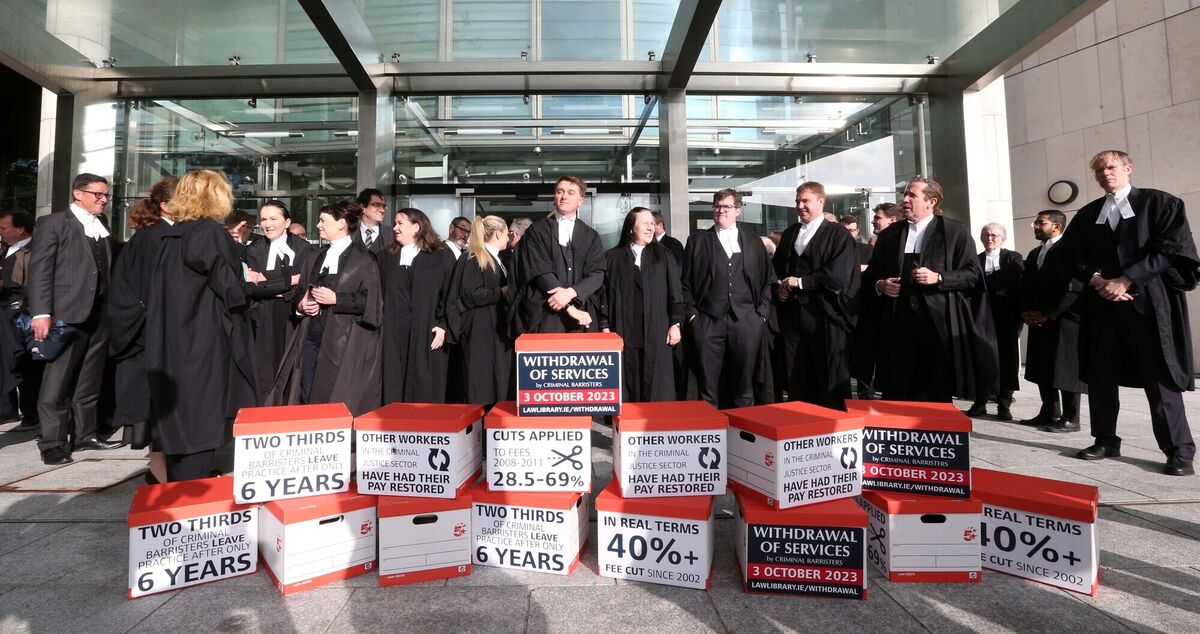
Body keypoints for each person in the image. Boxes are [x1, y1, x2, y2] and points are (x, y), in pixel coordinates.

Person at [1057, 150, 1199, 476]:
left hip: (1147, 306)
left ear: (1128, 168)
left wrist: (1126, 279)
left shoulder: (1160, 203)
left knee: (1160, 380)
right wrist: (1095, 279)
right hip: (1102, 307)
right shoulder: (1089, 213)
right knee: (1101, 376)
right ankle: (1105, 440)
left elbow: (1170, 250)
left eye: (1112, 167)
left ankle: (1179, 450)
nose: (1106, 173)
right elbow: (1069, 255)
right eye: (1099, 170)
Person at [145, 170, 258, 481]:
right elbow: (229, 289)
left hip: (172, 341)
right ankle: (195, 511)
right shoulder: (209, 233)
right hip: (202, 340)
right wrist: (261, 286)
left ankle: (181, 501)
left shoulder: (174, 234)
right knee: (200, 421)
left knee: (181, 428)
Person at [862, 177, 996, 403]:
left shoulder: (954, 231)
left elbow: (973, 274)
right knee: (897, 389)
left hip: (937, 325)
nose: (904, 199)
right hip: (897, 325)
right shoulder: (890, 234)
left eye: (911, 195)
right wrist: (881, 284)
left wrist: (940, 277)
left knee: (936, 389)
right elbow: (872, 274)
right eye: (905, 194)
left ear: (931, 201)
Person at [27, 173, 123, 466]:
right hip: (66, 314)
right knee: (57, 381)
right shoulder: (54, 223)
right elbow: (40, 269)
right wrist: (41, 313)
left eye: (106, 195)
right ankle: (53, 442)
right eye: (98, 194)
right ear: (78, 194)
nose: (104, 200)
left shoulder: (101, 226)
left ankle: (85, 436)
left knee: (89, 378)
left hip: (99, 314)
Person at [271, 198, 382, 416]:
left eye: (323, 221)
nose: (318, 225)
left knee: (334, 392)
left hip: (343, 341)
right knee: (306, 385)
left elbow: (373, 304)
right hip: (310, 335)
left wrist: (337, 299)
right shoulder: (315, 256)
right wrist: (301, 305)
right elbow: (298, 293)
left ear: (341, 224)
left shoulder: (365, 260)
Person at [105, 178, 176, 481]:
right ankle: (159, 471)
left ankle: (164, 468)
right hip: (152, 334)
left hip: (157, 330)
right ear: (165, 205)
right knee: (157, 404)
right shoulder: (154, 238)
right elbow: (152, 289)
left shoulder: (161, 235)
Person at [681, 188, 772, 409]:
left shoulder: (754, 242)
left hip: (746, 321)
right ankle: (710, 437)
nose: (721, 211)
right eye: (717, 206)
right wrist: (693, 316)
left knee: (744, 386)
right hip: (708, 322)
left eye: (726, 207)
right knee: (707, 387)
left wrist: (761, 315)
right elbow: (685, 283)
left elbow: (767, 281)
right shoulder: (697, 241)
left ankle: (744, 436)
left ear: (738, 210)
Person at [773, 183, 860, 410]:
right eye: (797, 201)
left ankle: (832, 429)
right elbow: (778, 267)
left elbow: (837, 275)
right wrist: (780, 286)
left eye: (805, 201)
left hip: (825, 315)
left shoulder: (838, 235)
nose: (800, 206)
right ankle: (798, 423)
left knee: (828, 374)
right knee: (795, 371)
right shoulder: (791, 232)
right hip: (793, 316)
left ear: (821, 202)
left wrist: (800, 282)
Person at [598, 208, 683, 402]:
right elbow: (603, 294)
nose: (650, 227)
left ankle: (654, 427)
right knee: (626, 380)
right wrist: (604, 325)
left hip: (657, 330)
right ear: (630, 228)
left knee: (656, 384)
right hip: (623, 329)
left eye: (652, 223)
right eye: (644, 223)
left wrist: (676, 323)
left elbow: (675, 293)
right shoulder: (613, 257)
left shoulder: (664, 255)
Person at [511, 176, 605, 334]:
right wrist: (567, 306)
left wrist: (571, 293)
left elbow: (597, 273)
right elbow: (539, 269)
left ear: (580, 201)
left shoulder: (591, 235)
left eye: (570, 192)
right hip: (546, 310)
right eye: (560, 192)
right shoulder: (537, 230)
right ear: (554, 197)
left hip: (582, 311)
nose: (564, 196)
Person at [1020, 210, 1086, 432]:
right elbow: (1027, 285)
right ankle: (1049, 411)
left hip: (1063, 319)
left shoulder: (1070, 251)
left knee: (1065, 368)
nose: (1036, 226)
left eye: (1041, 223)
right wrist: (1027, 312)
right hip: (1039, 320)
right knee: (1043, 366)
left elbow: (1072, 288)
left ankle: (1071, 417)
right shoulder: (1034, 253)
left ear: (1056, 226)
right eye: (1036, 222)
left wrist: (1048, 313)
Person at [381, 207, 456, 404]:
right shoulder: (386, 257)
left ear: (416, 227)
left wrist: (444, 325)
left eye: (400, 223)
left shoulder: (441, 256)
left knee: (425, 384)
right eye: (395, 223)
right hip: (393, 332)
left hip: (427, 330)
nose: (395, 228)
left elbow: (450, 295)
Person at [243, 200, 312, 401]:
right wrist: (290, 281)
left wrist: (271, 287)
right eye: (263, 219)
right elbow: (253, 289)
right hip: (262, 318)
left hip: (294, 317)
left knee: (293, 371)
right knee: (265, 373)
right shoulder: (254, 249)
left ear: (287, 221)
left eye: (273, 218)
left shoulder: (303, 249)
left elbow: (304, 285)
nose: (267, 224)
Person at [448, 216, 513, 406]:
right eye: (507, 233)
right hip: (479, 328)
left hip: (492, 328)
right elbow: (470, 294)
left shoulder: (493, 258)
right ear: (498, 233)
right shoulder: (473, 257)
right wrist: (502, 291)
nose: (509, 238)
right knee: (480, 377)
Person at [966, 223, 1024, 420]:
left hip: (1007, 317)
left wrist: (987, 285)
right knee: (981, 357)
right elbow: (971, 283)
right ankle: (980, 401)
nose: (989, 238)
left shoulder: (1013, 257)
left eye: (994, 235)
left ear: (1003, 238)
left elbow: (1015, 280)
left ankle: (1004, 404)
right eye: (985, 235)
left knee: (1008, 359)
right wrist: (996, 288)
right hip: (982, 317)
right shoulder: (975, 259)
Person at [0, 210, 41, 432]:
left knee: (23, 363)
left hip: (21, 314)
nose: (1, 233)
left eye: (4, 228)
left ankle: (31, 413)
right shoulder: (5, 249)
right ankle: (8, 411)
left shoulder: (34, 251)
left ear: (20, 229)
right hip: (5, 314)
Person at [353, 188, 388, 256]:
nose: (382, 210)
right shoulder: (349, 234)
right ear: (362, 207)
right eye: (377, 205)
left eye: (384, 206)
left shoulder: (392, 234)